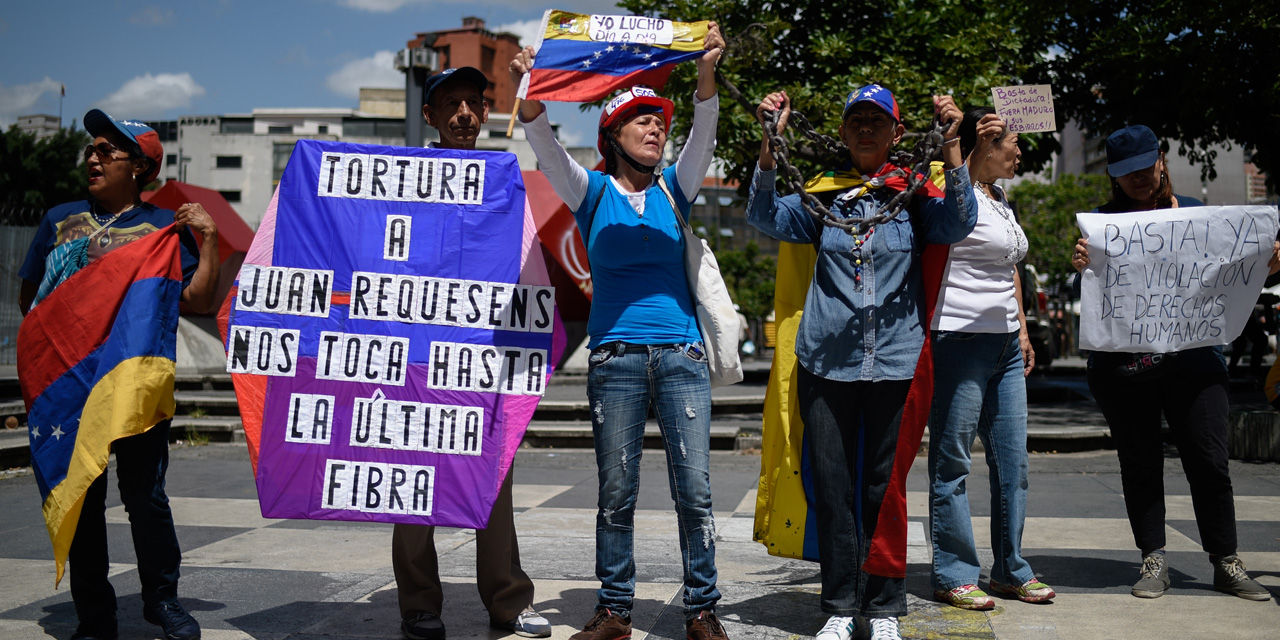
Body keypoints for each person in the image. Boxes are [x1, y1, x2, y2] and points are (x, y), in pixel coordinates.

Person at [509, 23, 732, 640]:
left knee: (695, 491)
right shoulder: (591, 191)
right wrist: (530, 81)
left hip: (682, 356)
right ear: (612, 135)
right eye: (641, 120)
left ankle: (702, 610)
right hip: (615, 361)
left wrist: (706, 68)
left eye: (660, 120)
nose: (656, 127)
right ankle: (615, 612)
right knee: (616, 491)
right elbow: (542, 141)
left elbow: (705, 128)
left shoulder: (677, 188)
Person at [747, 87, 977, 640]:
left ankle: (883, 609)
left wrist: (952, 146)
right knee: (832, 487)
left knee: (884, 488)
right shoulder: (823, 196)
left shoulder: (913, 195)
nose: (867, 129)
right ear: (844, 133)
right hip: (827, 364)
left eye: (878, 121)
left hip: (895, 363)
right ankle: (840, 607)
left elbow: (960, 223)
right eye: (857, 121)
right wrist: (770, 142)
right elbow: (762, 214)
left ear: (897, 133)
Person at [19, 110, 220, 640]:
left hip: (133, 383)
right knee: (81, 498)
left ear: (139, 166)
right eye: (91, 148)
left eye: (107, 150)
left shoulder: (164, 228)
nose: (93, 156)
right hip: (69, 385)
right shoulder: (59, 220)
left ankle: (163, 601)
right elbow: (32, 303)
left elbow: (198, 300)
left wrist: (209, 239)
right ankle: (95, 616)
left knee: (145, 497)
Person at [1071, 124, 1272, 602]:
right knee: (1139, 462)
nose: (1138, 178)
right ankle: (1153, 558)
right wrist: (1081, 264)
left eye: (1145, 167)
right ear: (1113, 176)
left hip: (1196, 362)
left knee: (1210, 460)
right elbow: (1097, 293)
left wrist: (1268, 260)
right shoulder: (1101, 224)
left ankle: (1226, 560)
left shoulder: (1201, 214)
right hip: (1124, 370)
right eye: (1127, 172)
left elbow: (1236, 273)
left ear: (1161, 160)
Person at [390, 66, 552, 640]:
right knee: (412, 480)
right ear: (429, 115)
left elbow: (526, 263)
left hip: (486, 357)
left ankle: (508, 601)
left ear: (485, 114)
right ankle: (418, 604)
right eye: (450, 103)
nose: (463, 113)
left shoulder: (504, 181)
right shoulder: (402, 180)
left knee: (493, 478)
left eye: (473, 103)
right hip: (415, 358)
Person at [927, 106, 1054, 611]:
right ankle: (954, 573)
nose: (1021, 154)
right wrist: (959, 144)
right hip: (959, 341)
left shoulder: (1000, 198)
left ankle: (1010, 570)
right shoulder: (948, 189)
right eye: (1014, 144)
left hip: (1004, 345)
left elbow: (1010, 269)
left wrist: (1021, 329)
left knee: (1012, 462)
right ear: (987, 142)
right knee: (952, 462)